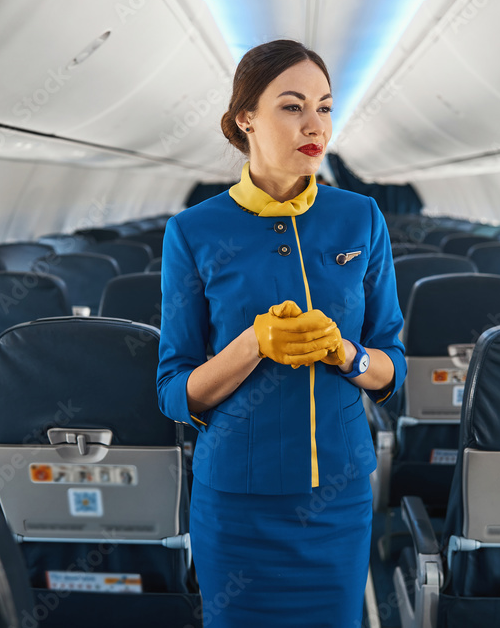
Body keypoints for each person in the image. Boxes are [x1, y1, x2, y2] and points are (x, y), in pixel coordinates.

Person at [157, 39, 406, 627]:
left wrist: (346, 353)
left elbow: (392, 364)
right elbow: (173, 390)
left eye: (323, 107)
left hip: (338, 495)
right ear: (246, 118)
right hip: (237, 501)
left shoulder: (361, 217)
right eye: (292, 107)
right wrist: (251, 344)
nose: (313, 124)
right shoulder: (193, 231)